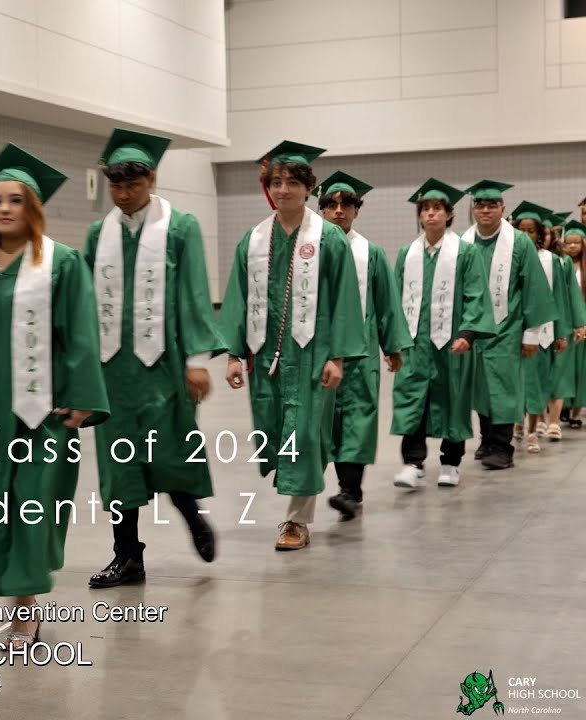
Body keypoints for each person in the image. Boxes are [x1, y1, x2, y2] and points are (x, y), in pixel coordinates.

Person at [0, 143, 109, 643]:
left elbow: (79, 333)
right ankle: (15, 594)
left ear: (31, 209)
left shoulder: (61, 263)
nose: (4, 209)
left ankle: (25, 605)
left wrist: (82, 395)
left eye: (14, 200)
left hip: (42, 413)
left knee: (32, 505)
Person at [80, 128, 225, 587]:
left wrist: (197, 359)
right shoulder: (96, 234)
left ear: (152, 178)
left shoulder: (180, 227)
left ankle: (192, 517)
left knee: (169, 452)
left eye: (134, 184)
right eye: (116, 186)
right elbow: (83, 303)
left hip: (164, 366)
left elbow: (194, 295)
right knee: (119, 465)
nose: (124, 194)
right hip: (111, 370)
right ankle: (127, 556)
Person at [218, 141, 366, 551]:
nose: (283, 189)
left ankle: (296, 520)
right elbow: (237, 298)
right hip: (265, 356)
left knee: (303, 434)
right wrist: (233, 354)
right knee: (275, 431)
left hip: (314, 354)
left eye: (293, 182)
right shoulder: (253, 239)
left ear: (307, 188)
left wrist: (337, 355)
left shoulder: (329, 238)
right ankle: (295, 511)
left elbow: (344, 301)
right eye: (276, 182)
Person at [312, 171, 411, 520]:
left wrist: (393, 345)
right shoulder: (309, 250)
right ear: (321, 209)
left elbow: (386, 303)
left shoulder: (371, 252)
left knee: (356, 420)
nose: (338, 211)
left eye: (346, 205)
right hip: (316, 352)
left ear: (357, 210)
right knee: (320, 420)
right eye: (331, 205)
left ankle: (350, 491)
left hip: (360, 353)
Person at [389, 179, 495, 489]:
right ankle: (412, 463)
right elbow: (396, 299)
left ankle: (450, 462)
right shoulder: (406, 253)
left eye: (437, 209)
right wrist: (392, 340)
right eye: (426, 209)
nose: (431, 214)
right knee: (412, 398)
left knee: (453, 397)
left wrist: (468, 332)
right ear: (420, 216)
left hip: (453, 343)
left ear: (449, 215)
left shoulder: (465, 252)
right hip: (414, 342)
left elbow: (477, 293)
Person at [457, 180, 556, 470]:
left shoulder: (519, 242)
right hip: (473, 330)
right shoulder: (464, 242)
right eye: (480, 205)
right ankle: (487, 440)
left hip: (506, 327)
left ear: (503, 208)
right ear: (473, 209)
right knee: (480, 388)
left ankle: (502, 446)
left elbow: (534, 289)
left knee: (504, 388)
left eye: (492, 205)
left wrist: (531, 334)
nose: (485, 210)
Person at [507, 202, 565, 453]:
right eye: (522, 230)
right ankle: (516, 425)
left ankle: (532, 430)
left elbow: (559, 299)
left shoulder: (551, 260)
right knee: (514, 383)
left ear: (540, 233)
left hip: (541, 333)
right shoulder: (507, 259)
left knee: (536, 383)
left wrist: (561, 332)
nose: (527, 235)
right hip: (511, 330)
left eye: (532, 230)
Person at [559, 220, 586, 429]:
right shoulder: (561, 263)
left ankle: (577, 410)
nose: (573, 246)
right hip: (567, 320)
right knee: (566, 367)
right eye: (569, 243)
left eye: (577, 242)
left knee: (582, 369)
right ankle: (563, 407)